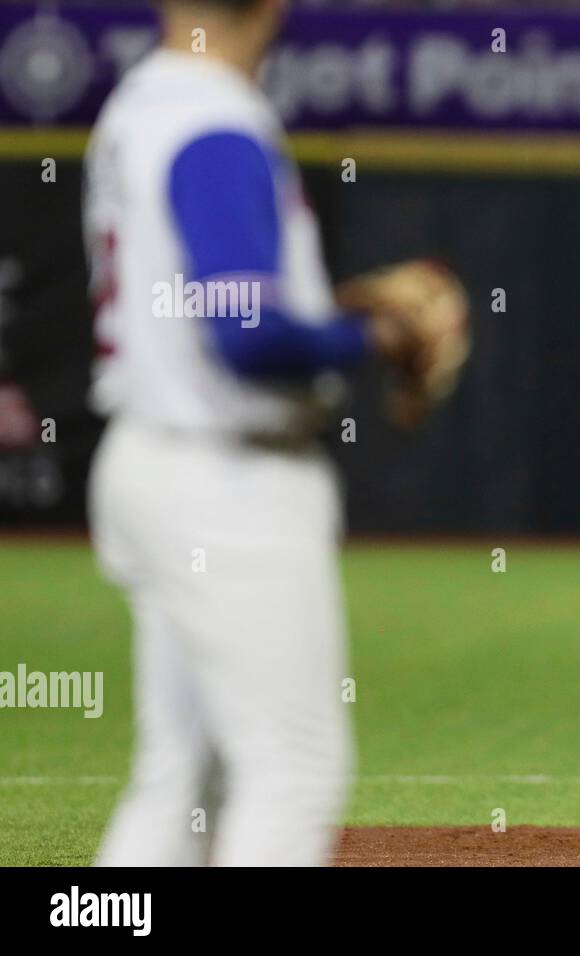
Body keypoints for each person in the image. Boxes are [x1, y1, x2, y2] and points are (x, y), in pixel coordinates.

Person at [83, 0, 459, 865]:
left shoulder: (141, 101)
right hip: (225, 481)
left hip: (152, 454)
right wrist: (376, 334)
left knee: (183, 781)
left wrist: (330, 321)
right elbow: (245, 334)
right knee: (292, 767)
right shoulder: (215, 120)